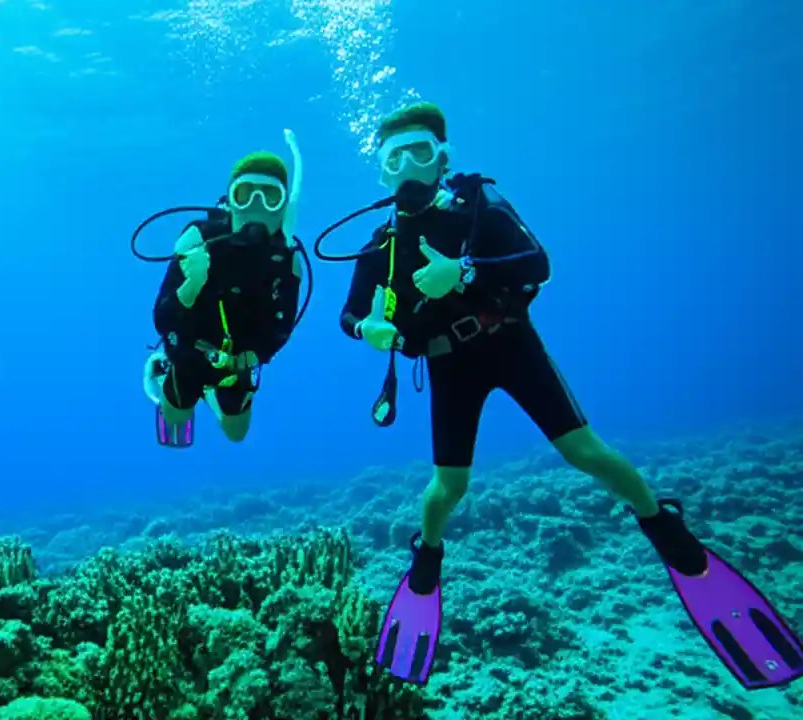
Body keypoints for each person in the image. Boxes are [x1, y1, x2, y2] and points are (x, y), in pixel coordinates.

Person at [337, 102, 802, 689]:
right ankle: (427, 558)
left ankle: (667, 531)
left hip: (509, 343)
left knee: (586, 452)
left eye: (421, 152)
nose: (409, 166)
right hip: (448, 365)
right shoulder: (383, 243)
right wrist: (369, 329)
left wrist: (466, 274)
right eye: (394, 157)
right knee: (448, 488)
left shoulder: (479, 205)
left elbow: (539, 263)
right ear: (381, 171)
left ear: (443, 157)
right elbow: (348, 313)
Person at [147, 130, 305, 447]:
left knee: (236, 434)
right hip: (189, 349)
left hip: (237, 358)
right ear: (230, 201)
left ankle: (213, 396)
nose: (256, 205)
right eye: (245, 193)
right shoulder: (198, 240)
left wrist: (255, 355)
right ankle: (163, 371)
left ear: (283, 207)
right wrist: (191, 284)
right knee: (177, 418)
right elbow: (162, 318)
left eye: (269, 196)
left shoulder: (287, 261)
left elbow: (284, 325)